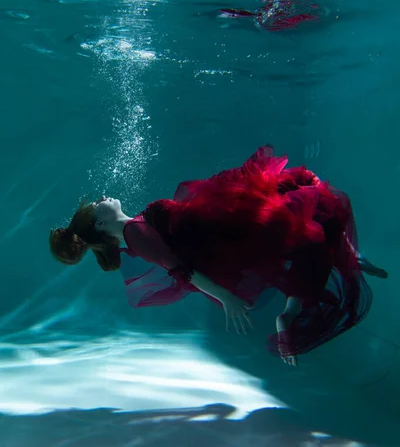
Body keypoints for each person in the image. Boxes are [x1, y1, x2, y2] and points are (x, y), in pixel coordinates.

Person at [49, 145, 387, 366]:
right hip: (223, 232)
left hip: (221, 229)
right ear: (100, 221)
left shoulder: (132, 232)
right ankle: (314, 290)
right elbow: (182, 270)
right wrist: (227, 298)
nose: (104, 197)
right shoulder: (134, 234)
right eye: (98, 204)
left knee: (302, 221)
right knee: (305, 198)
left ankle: (341, 263)